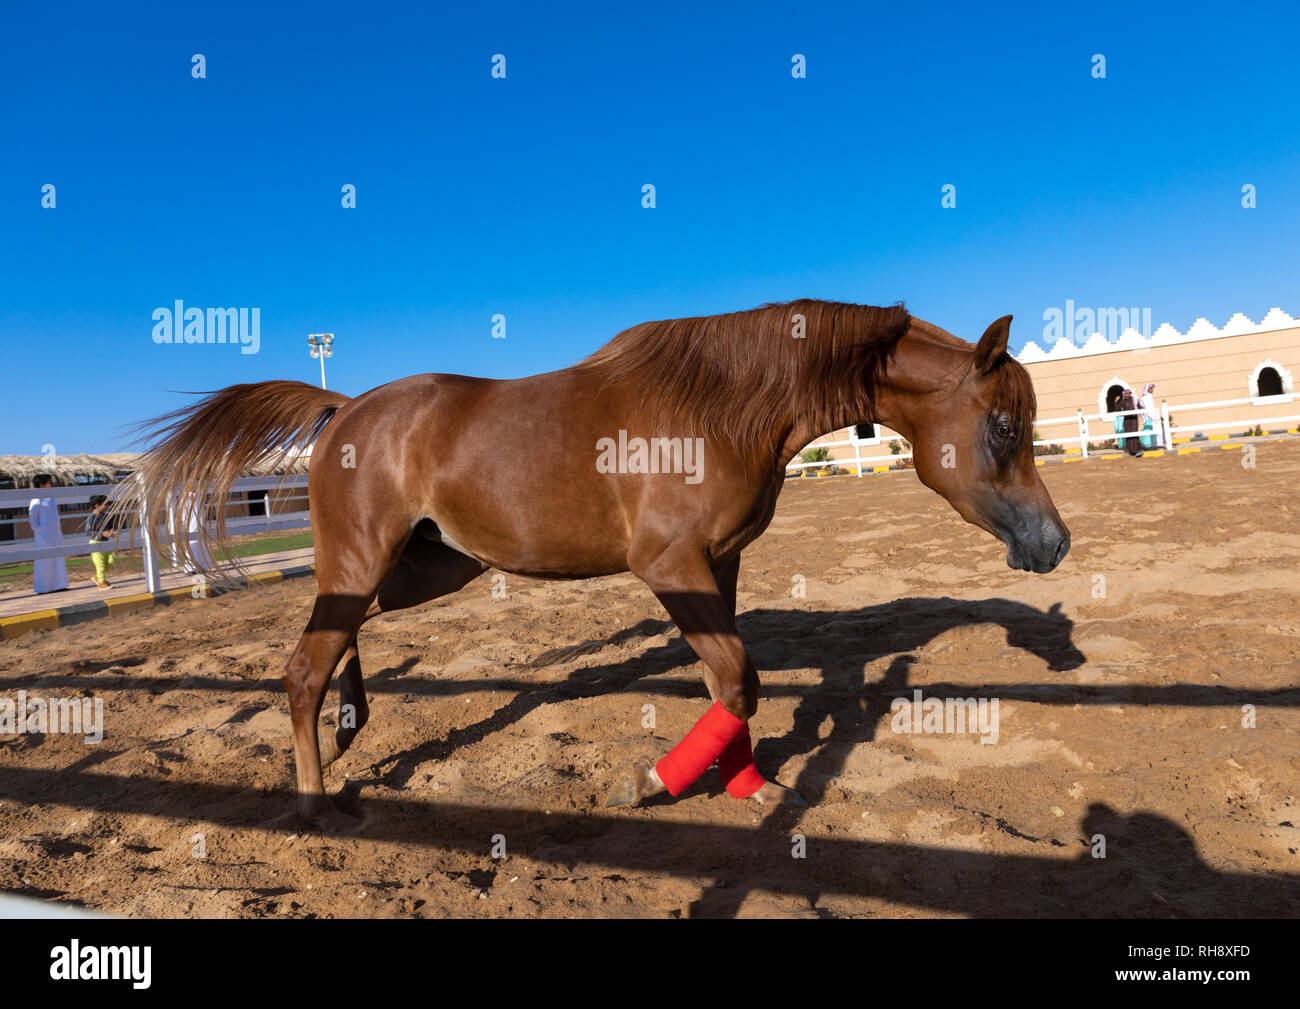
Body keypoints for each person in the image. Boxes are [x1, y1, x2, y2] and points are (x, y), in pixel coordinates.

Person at [28, 474, 70, 593]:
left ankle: (59, 584)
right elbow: (32, 517)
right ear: (42, 485)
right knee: (44, 560)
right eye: (49, 482)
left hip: (55, 533)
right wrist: (38, 531)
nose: (52, 484)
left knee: (57, 557)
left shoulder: (52, 498)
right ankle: (43, 587)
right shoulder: (36, 500)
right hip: (43, 535)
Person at [168, 489, 213, 573]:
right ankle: (192, 565)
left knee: (198, 529)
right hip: (191, 496)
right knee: (195, 529)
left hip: (193, 496)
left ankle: (200, 564)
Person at [84, 494, 117, 588]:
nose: (107, 506)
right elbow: (88, 532)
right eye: (105, 504)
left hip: (106, 543)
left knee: (110, 561)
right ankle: (101, 583)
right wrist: (102, 534)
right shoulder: (91, 518)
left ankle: (97, 577)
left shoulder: (107, 516)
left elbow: (111, 527)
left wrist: (112, 532)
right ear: (97, 505)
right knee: (100, 564)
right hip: (95, 543)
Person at [1116, 389, 1143, 457]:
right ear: (1124, 394)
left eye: (1128, 393)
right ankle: (1132, 451)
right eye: (1126, 393)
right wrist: (1116, 401)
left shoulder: (1134, 399)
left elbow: (1139, 406)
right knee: (1128, 434)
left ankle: (1138, 450)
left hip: (1134, 419)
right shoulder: (1122, 401)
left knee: (1134, 433)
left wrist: (1143, 410)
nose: (1127, 394)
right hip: (1127, 420)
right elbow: (1117, 409)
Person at [1138, 382, 1162, 449]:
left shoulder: (1149, 396)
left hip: (1151, 416)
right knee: (1147, 429)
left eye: (1152, 388)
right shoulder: (1145, 397)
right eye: (1150, 388)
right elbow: (1148, 407)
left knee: (1150, 429)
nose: (1152, 389)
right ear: (1147, 389)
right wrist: (1152, 415)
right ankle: (1146, 445)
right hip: (1148, 416)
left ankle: (1148, 444)